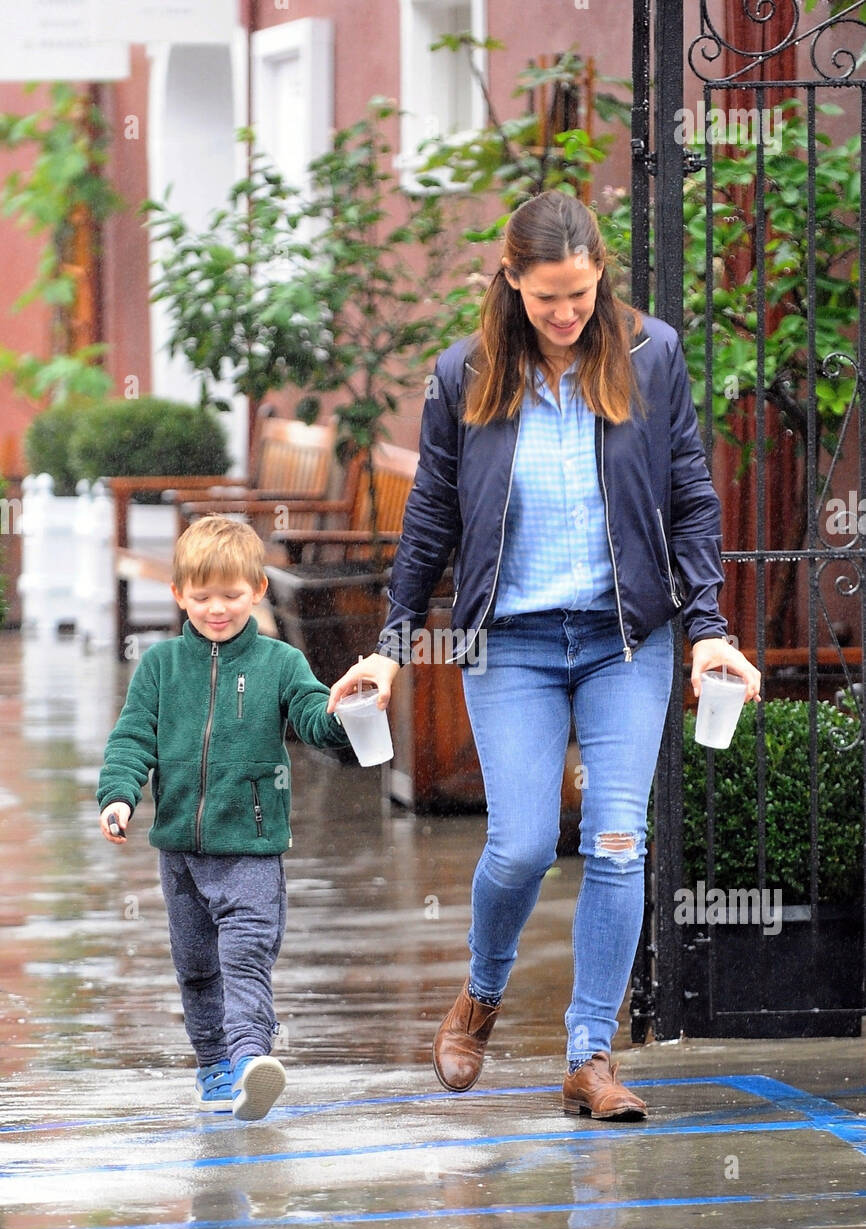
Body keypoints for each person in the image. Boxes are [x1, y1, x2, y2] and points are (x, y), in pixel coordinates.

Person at [327, 189, 761, 1121]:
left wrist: (710, 628)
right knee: (521, 846)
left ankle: (590, 1056)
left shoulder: (652, 355)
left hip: (623, 641)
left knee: (616, 840)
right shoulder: (467, 375)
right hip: (511, 642)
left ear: (600, 273)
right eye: (545, 298)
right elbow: (431, 519)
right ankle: (481, 995)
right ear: (511, 281)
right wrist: (393, 649)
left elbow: (690, 494)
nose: (566, 316)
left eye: (579, 294)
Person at [97, 516, 350, 1121]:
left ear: (258, 590)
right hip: (180, 850)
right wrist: (120, 794)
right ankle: (213, 1063)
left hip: (252, 847)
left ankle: (249, 1060)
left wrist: (343, 711)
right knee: (196, 966)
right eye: (203, 596)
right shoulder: (160, 668)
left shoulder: (280, 663)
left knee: (245, 955)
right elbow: (133, 738)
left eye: (232, 596)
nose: (217, 609)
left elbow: (314, 718)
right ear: (179, 593)